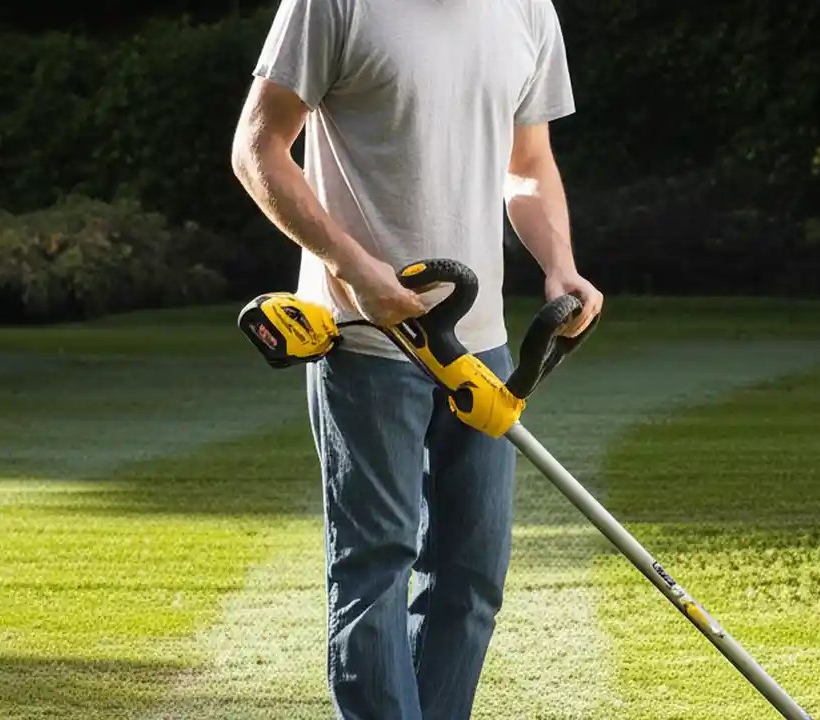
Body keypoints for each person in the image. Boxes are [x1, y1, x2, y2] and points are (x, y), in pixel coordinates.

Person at [229, 1, 603, 717]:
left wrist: (559, 264)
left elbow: (527, 165)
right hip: (366, 338)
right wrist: (354, 265)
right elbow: (259, 147)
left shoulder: (526, 8)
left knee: (471, 576)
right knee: (376, 567)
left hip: (479, 348)